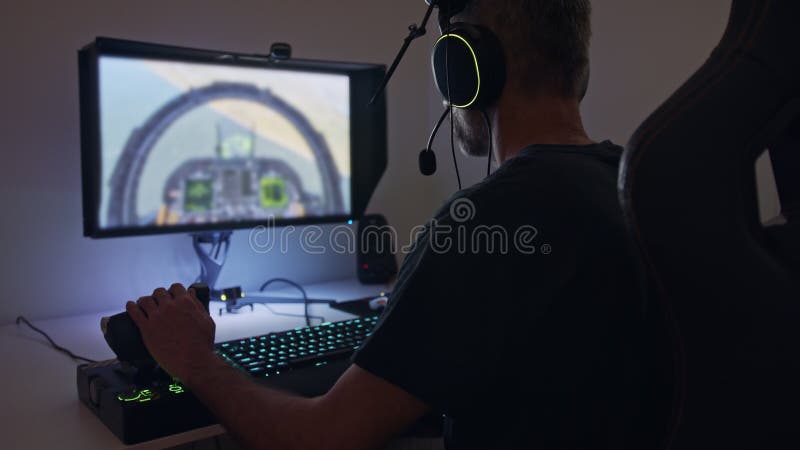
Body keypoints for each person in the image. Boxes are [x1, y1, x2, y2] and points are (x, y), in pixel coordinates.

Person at [127, 1, 668, 449]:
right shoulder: (641, 186)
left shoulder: (483, 223)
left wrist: (195, 360)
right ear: (579, 70)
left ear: (463, 68)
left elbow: (318, 439)